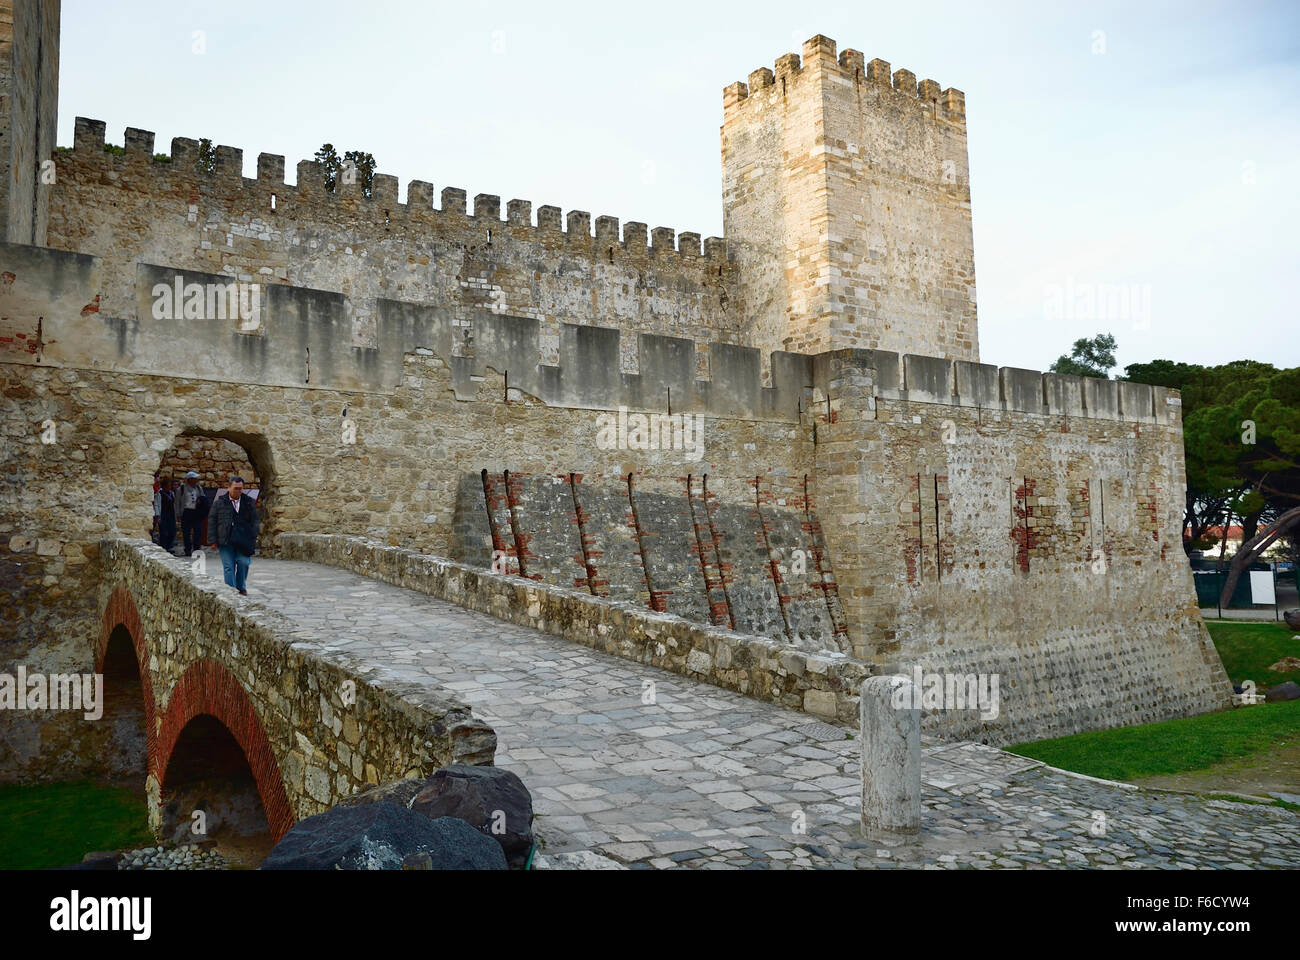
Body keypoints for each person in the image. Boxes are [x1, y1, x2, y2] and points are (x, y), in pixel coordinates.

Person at [209, 475, 259, 595]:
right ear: (229, 488)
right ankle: (230, 591)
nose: (238, 491)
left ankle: (241, 587)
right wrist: (213, 540)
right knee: (228, 567)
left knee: (244, 563)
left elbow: (255, 521)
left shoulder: (249, 503)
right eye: (236, 488)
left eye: (240, 488)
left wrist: (253, 535)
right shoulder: (219, 503)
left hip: (243, 540)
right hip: (226, 540)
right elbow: (212, 521)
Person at [177, 471, 208, 556]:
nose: (196, 480)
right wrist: (178, 514)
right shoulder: (181, 489)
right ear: (190, 479)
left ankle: (196, 549)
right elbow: (177, 502)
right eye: (195, 478)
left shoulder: (199, 488)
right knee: (186, 532)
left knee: (198, 531)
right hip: (186, 512)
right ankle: (187, 549)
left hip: (197, 512)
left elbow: (203, 497)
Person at [153, 478, 177, 552]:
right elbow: (156, 505)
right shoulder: (159, 494)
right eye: (169, 485)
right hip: (163, 514)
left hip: (171, 514)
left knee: (172, 531)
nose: (170, 486)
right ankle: (164, 547)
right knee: (163, 532)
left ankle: (169, 546)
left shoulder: (171, 493)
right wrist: (158, 516)